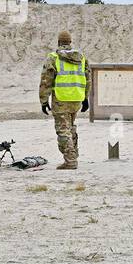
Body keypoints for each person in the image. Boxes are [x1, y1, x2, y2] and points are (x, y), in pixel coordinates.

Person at [38, 29, 88, 170]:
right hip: (77, 98)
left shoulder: (53, 57)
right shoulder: (81, 58)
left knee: (63, 130)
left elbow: (46, 81)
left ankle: (70, 160)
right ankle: (74, 156)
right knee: (71, 128)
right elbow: (87, 78)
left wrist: (43, 100)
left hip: (61, 99)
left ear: (59, 42)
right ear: (70, 42)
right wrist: (85, 98)